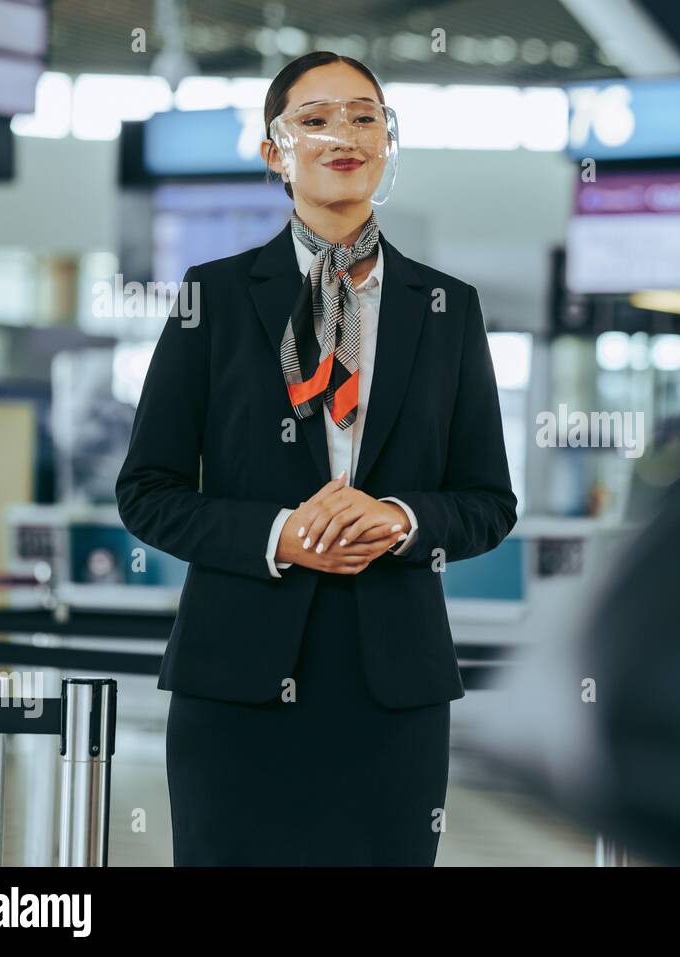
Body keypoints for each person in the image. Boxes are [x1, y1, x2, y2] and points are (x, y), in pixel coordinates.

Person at [115, 51, 517, 865]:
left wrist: (401, 517)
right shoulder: (213, 299)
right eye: (317, 118)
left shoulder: (446, 307)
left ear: (387, 143)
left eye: (366, 116)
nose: (345, 133)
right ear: (275, 151)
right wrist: (278, 534)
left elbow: (487, 498)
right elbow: (148, 490)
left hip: (392, 685)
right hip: (238, 678)